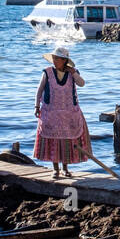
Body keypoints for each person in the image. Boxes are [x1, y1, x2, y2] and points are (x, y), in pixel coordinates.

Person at [34, 44, 91, 179]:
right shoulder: (47, 72)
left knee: (67, 141)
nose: (55, 61)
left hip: (69, 113)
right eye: (54, 58)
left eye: (57, 59)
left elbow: (82, 83)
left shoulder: (72, 74)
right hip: (51, 112)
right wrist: (36, 106)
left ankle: (65, 168)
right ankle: (55, 170)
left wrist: (73, 72)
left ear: (64, 60)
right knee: (54, 140)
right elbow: (39, 90)